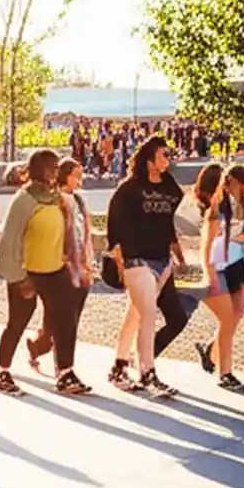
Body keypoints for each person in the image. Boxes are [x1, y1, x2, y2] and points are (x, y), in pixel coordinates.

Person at [0, 149, 92, 396]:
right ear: (37, 169)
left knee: (65, 320)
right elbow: (8, 242)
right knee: (17, 322)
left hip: (55, 270)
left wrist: (77, 264)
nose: (56, 171)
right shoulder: (24, 199)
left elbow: (69, 234)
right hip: (26, 273)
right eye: (51, 167)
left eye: (57, 167)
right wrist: (18, 278)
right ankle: (2, 372)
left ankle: (65, 373)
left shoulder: (58, 198)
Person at [105, 136, 186, 398]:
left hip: (162, 259)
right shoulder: (129, 188)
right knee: (149, 314)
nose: (167, 159)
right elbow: (114, 222)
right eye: (163, 154)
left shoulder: (170, 186)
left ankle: (118, 366)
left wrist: (179, 254)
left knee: (136, 314)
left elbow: (178, 218)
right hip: (136, 259)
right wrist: (120, 253)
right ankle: (147, 372)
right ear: (150, 159)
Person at [27, 158, 94, 373]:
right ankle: (59, 363)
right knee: (62, 316)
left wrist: (88, 262)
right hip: (61, 263)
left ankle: (41, 346)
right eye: (75, 173)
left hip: (80, 263)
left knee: (69, 315)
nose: (79, 178)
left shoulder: (80, 200)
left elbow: (86, 234)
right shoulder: (55, 200)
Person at [193, 164, 244, 390]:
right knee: (227, 318)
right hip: (218, 266)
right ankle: (225, 373)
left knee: (236, 314)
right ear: (236, 183)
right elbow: (208, 243)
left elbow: (243, 233)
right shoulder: (218, 206)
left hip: (236, 263)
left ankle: (211, 348)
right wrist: (209, 273)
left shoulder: (243, 206)